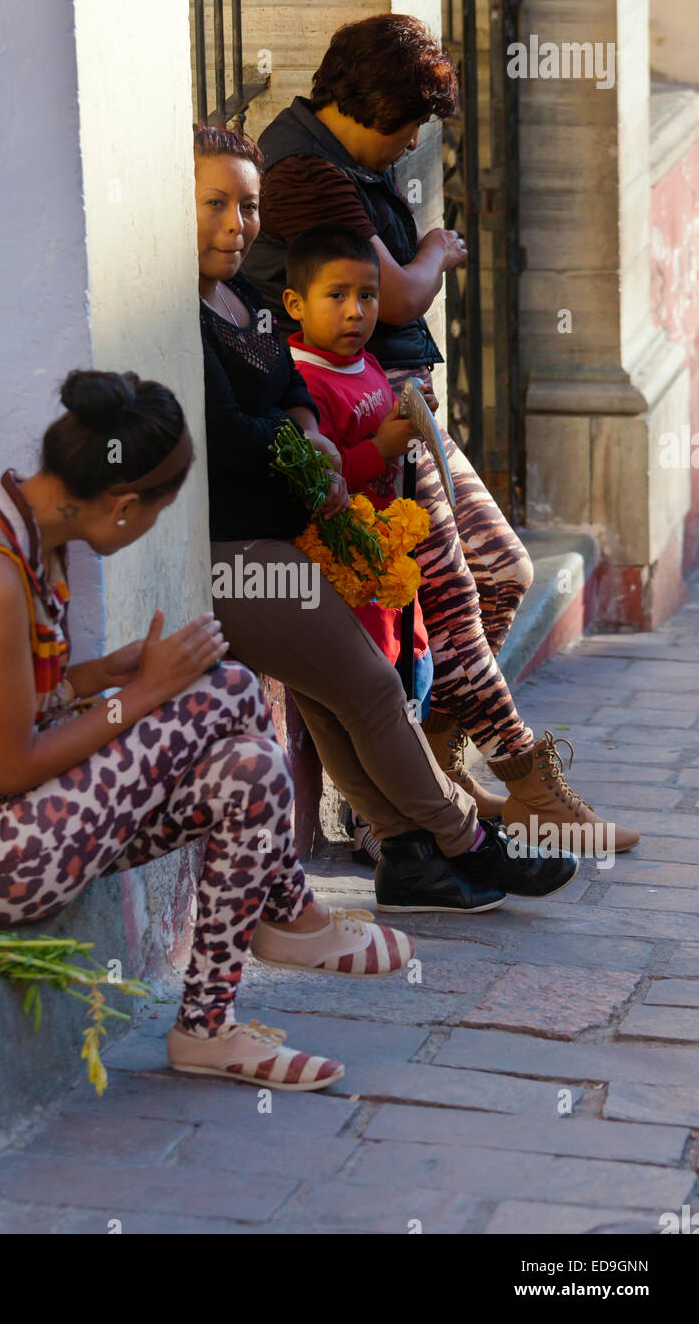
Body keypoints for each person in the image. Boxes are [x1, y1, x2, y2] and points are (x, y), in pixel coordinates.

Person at [0, 369, 421, 1093]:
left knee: (249, 768)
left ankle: (208, 1027)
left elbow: (18, 700)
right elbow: (15, 766)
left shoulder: (26, 533)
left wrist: (110, 673)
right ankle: (290, 913)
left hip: (10, 824)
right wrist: (145, 693)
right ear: (123, 506)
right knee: (234, 687)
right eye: (159, 510)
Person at [243, 13, 639, 858]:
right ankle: (523, 781)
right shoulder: (305, 168)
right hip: (361, 423)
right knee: (458, 603)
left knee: (504, 571)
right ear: (381, 104)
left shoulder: (341, 160)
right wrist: (434, 250)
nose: (417, 138)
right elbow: (390, 296)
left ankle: (429, 759)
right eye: (415, 120)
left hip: (395, 409)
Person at [195, 122, 579, 912]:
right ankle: (468, 836)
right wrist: (310, 444)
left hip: (291, 538)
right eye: (215, 204)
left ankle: (406, 857)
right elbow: (229, 433)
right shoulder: (181, 315)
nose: (239, 225)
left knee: (334, 700)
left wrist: (305, 429)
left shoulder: (241, 299)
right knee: (370, 689)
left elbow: (289, 395)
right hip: (236, 550)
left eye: (250, 205)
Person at [283, 220, 433, 863]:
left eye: (368, 296)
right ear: (295, 304)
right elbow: (321, 476)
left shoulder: (363, 362)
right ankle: (375, 818)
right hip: (340, 567)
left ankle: (412, 797)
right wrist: (383, 447)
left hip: (384, 558)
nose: (355, 311)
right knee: (366, 693)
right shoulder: (304, 383)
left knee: (410, 668)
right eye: (336, 295)